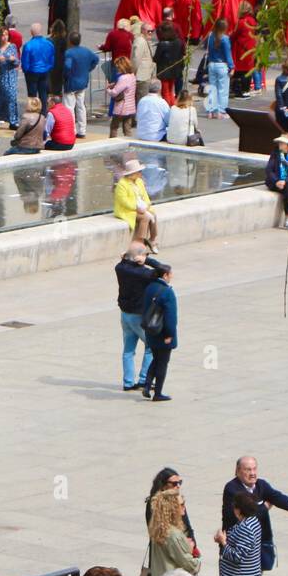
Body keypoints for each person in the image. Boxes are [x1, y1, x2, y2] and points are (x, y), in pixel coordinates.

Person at [222, 456, 288, 576]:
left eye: (254, 469)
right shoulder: (232, 489)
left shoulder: (261, 485)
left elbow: (275, 496)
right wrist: (264, 507)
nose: (252, 473)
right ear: (238, 471)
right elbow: (247, 513)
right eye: (248, 470)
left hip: (258, 545)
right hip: (239, 545)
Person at [115, 241, 163, 391]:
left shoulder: (120, 267)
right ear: (139, 257)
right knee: (150, 347)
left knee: (128, 350)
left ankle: (128, 382)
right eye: (145, 254)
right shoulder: (142, 273)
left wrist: (126, 257)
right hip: (138, 316)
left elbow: (124, 263)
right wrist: (148, 261)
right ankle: (143, 379)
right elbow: (163, 270)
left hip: (125, 315)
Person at [146, 488, 201, 576]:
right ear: (172, 508)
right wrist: (194, 554)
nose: (184, 507)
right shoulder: (173, 534)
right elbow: (189, 564)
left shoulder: (158, 528)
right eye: (181, 504)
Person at [141, 262, 177, 402]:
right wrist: (170, 335)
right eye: (170, 274)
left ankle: (147, 385)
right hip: (162, 333)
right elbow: (170, 317)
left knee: (155, 359)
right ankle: (158, 393)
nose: (172, 276)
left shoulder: (149, 287)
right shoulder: (167, 292)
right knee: (162, 362)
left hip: (151, 330)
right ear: (165, 275)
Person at [113, 159, 157, 250]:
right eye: (139, 172)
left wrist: (147, 205)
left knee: (153, 215)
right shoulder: (122, 184)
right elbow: (124, 202)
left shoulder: (139, 181)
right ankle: (139, 242)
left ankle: (152, 239)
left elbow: (145, 195)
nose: (141, 174)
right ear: (132, 173)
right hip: (128, 210)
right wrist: (137, 208)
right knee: (145, 217)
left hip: (142, 207)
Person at [61, 32, 99, 138]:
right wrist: (88, 69)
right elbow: (96, 59)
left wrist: (65, 76)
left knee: (69, 107)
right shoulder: (86, 51)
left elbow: (68, 67)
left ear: (70, 41)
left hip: (71, 83)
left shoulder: (68, 53)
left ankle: (71, 130)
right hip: (82, 82)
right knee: (81, 106)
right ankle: (82, 130)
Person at [265, 133, 288, 229]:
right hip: (275, 182)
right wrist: (276, 181)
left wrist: (284, 181)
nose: (280, 144)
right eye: (280, 142)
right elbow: (269, 169)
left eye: (282, 142)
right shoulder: (275, 153)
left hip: (287, 182)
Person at [203, 19, 233, 119]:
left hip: (212, 64)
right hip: (222, 65)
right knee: (222, 90)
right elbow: (228, 54)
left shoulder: (210, 36)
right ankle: (220, 111)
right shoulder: (225, 39)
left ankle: (210, 111)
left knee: (212, 89)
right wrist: (231, 67)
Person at [20, 23, 55, 106]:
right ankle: (44, 113)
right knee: (43, 93)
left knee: (32, 95)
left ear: (31, 32)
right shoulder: (49, 44)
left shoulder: (28, 45)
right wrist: (48, 68)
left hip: (32, 72)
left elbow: (25, 61)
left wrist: (26, 70)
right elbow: (51, 59)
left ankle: (34, 112)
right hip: (45, 71)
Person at [152, 21, 186, 105]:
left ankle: (168, 108)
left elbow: (156, 58)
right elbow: (182, 54)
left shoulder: (162, 44)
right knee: (171, 91)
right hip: (175, 70)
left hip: (164, 70)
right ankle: (172, 105)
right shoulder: (179, 42)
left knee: (165, 92)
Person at [107, 56, 137, 138]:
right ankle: (129, 144)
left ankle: (112, 143)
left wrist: (108, 90)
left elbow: (114, 92)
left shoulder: (123, 78)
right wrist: (114, 84)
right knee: (127, 129)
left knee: (114, 127)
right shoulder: (132, 76)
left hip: (121, 107)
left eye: (118, 67)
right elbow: (125, 86)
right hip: (130, 107)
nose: (117, 69)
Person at [0, 26, 20, 128]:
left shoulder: (12, 46)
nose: (4, 37)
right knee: (0, 99)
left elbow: (16, 62)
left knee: (11, 97)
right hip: (0, 76)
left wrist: (11, 59)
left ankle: (13, 120)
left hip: (10, 76)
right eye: (2, 35)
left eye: (6, 34)